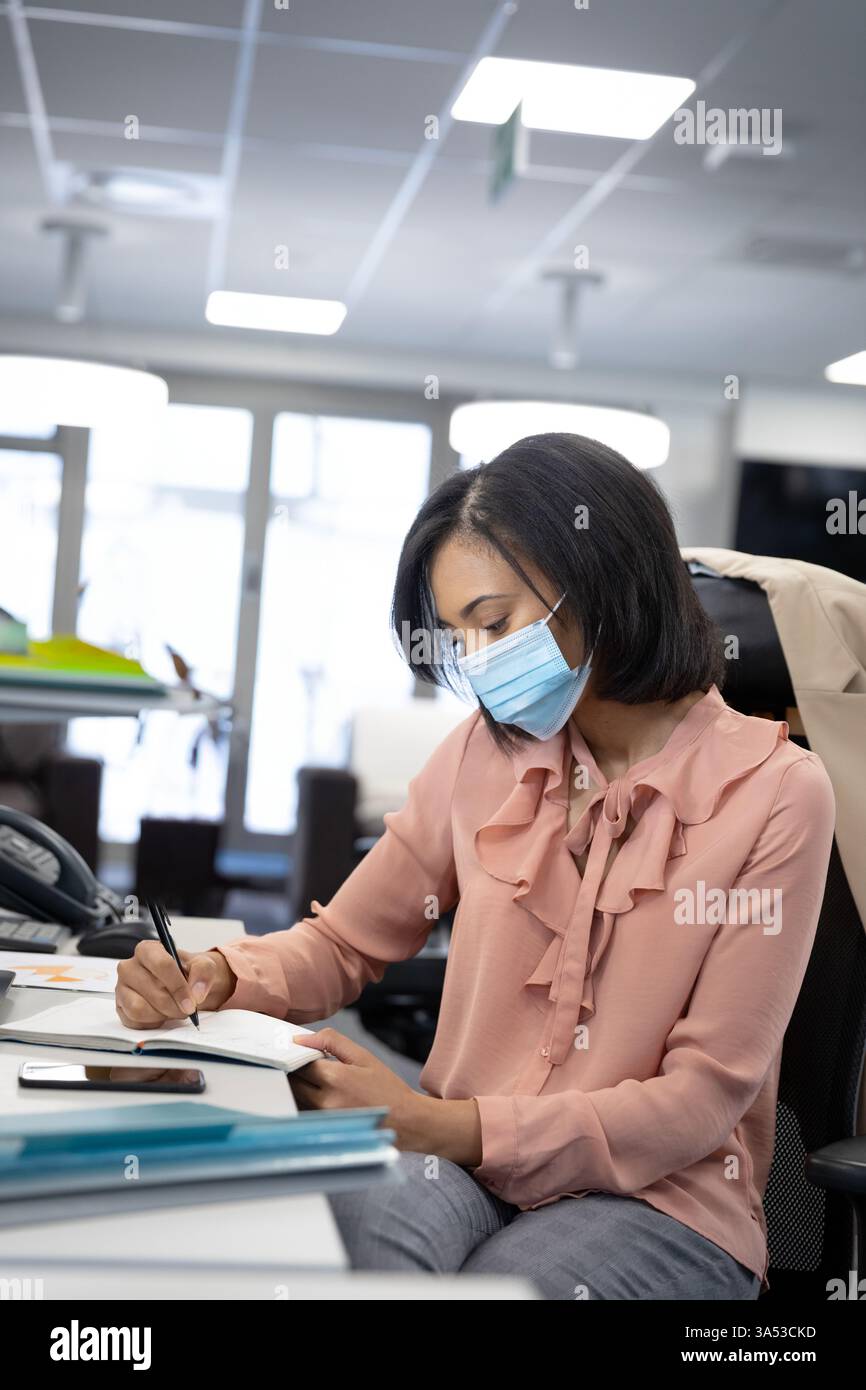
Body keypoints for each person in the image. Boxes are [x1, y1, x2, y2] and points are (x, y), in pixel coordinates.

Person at [116, 433, 836, 1300]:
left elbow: (698, 1101)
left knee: (498, 1292)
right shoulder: (483, 755)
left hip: (657, 1199)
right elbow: (345, 944)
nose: (479, 661)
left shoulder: (780, 792)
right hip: (452, 1158)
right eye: (459, 636)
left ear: (600, 579)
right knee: (349, 1251)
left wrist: (444, 1126)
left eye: (494, 623)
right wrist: (217, 975)